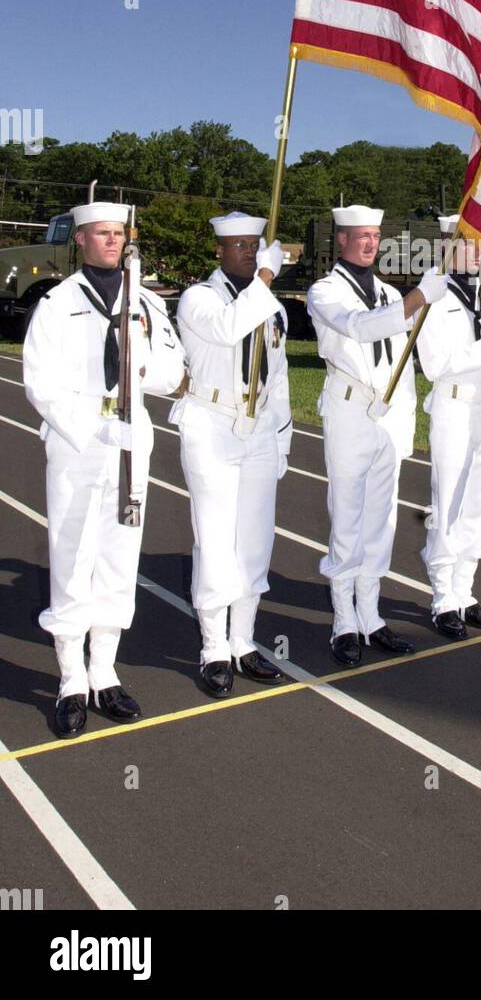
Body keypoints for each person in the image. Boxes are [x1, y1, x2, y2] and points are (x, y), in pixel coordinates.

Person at [23, 202, 185, 738]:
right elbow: (39, 384)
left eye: (119, 234)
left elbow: (170, 371)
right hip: (79, 443)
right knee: (73, 556)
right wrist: (93, 428)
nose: (112, 242)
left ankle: (104, 671)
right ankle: (70, 679)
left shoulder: (143, 301)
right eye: (101, 234)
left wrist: (142, 361)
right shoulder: (57, 303)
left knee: (120, 555)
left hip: (132, 439)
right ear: (82, 240)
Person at [307, 205, 449, 666]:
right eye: (361, 236)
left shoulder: (387, 290)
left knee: (381, 519)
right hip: (350, 411)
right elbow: (358, 327)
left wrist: (404, 422)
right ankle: (343, 620)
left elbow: (405, 364)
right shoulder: (325, 290)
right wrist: (416, 300)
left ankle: (370, 614)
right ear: (342, 240)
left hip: (387, 416)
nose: (370, 243)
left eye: (375, 235)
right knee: (346, 514)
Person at [169, 212, 292, 698]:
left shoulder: (273, 307)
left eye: (253, 244)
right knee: (216, 541)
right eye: (237, 245)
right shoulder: (199, 298)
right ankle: (214, 647)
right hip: (212, 425)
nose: (246, 251)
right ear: (218, 251)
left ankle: (243, 640)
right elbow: (227, 329)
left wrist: (283, 439)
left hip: (260, 428)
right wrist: (264, 277)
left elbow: (277, 377)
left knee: (255, 541)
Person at [415, 215, 481, 639]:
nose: (475, 253)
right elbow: (435, 364)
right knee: (450, 504)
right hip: (454, 409)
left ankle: (465, 591)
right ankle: (442, 598)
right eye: (466, 244)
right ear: (446, 247)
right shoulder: (433, 298)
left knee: (479, 505)